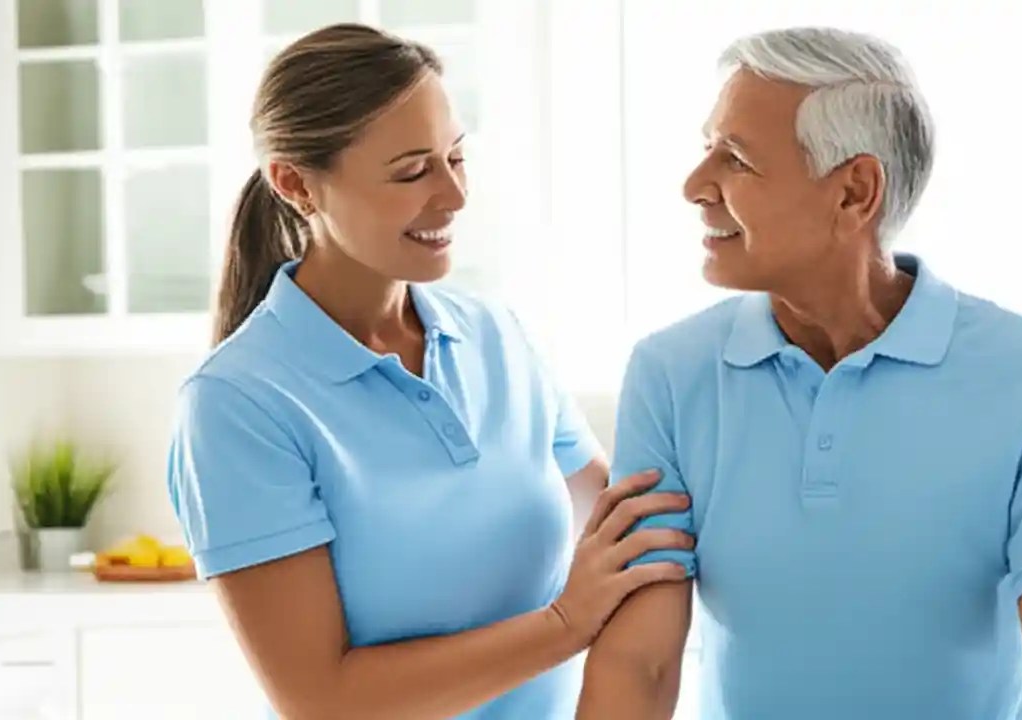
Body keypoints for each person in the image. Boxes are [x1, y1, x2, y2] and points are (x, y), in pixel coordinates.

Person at [578, 26, 1022, 720]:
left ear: (854, 192)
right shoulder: (671, 374)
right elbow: (639, 664)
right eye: (706, 148)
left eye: (736, 158)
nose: (695, 185)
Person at [164, 24, 692, 720]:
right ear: (295, 184)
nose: (453, 195)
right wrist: (565, 625)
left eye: (456, 158)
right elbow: (323, 699)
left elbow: (625, 526)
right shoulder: (239, 404)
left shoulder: (499, 338)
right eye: (413, 171)